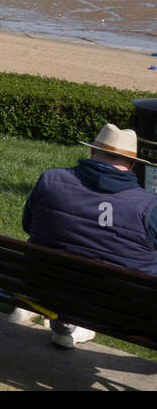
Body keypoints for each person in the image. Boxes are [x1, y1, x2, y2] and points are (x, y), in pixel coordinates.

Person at [19, 124, 157, 348]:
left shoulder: (50, 180)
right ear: (132, 165)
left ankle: (67, 324)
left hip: (45, 291)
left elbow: (28, 226)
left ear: (92, 153)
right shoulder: (150, 207)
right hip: (124, 312)